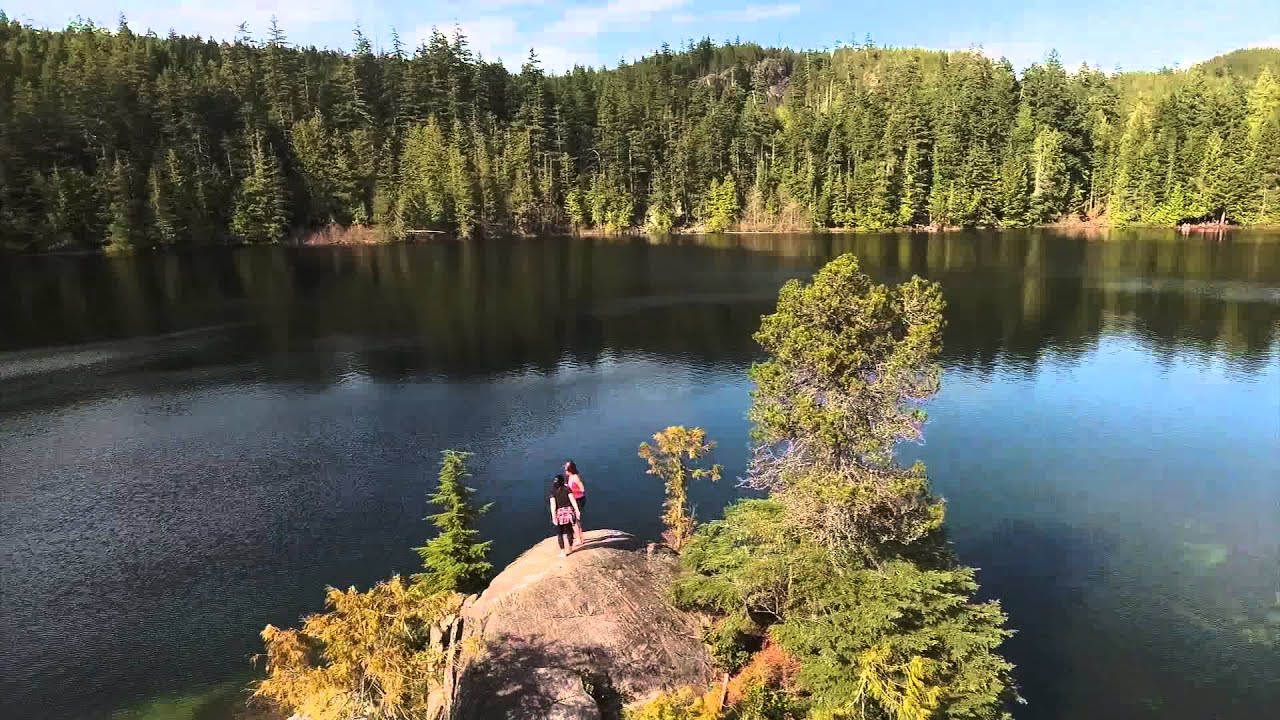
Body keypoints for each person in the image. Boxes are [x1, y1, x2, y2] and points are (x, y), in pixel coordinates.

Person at [548, 474, 580, 557]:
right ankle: (570, 548)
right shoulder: (567, 489)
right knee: (569, 531)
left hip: (559, 514)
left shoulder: (553, 491)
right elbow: (572, 500)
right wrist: (577, 510)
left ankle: (562, 552)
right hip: (569, 512)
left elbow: (553, 505)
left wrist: (553, 517)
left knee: (560, 534)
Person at [565, 460, 586, 544]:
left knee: (574, 520)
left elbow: (582, 489)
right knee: (576, 520)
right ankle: (580, 537)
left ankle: (579, 539)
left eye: (566, 469)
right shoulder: (570, 476)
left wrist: (571, 491)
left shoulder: (575, 477)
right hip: (573, 500)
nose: (565, 471)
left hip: (578, 500)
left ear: (570, 470)